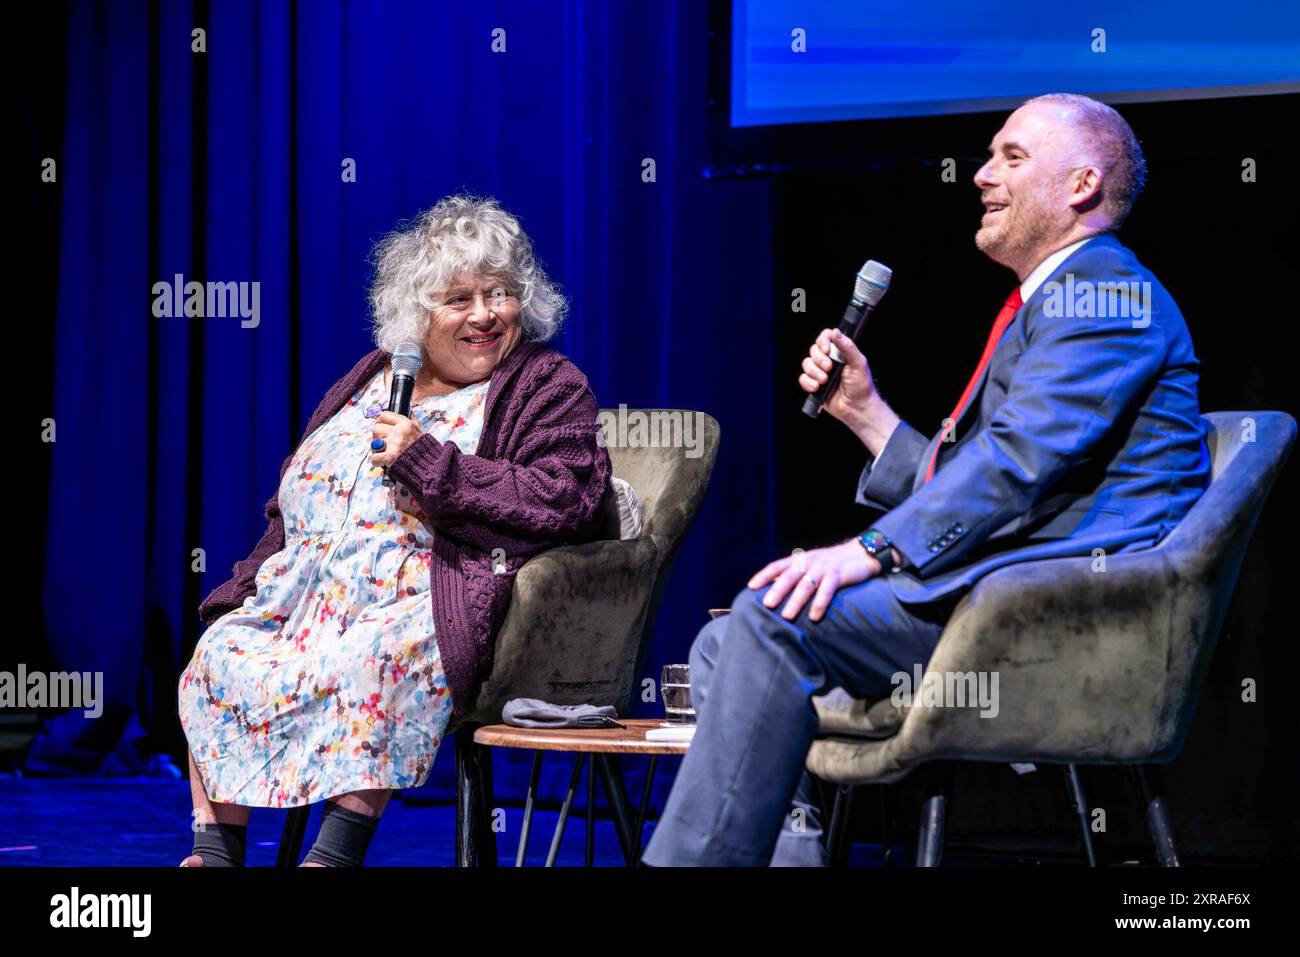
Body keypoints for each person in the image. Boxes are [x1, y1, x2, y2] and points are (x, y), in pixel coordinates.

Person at [641, 93, 1211, 866]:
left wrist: (868, 550)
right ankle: (787, 858)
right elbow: (981, 472)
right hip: (992, 594)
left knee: (774, 618)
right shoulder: (1054, 302)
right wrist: (866, 413)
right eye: (988, 156)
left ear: (1080, 184)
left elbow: (1015, 465)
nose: (981, 175)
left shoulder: (1103, 294)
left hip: (1058, 617)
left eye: (1012, 157)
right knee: (722, 643)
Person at [177, 195, 611, 866]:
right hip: (308, 596)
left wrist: (430, 463)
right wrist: (247, 587)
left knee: (376, 653)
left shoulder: (547, 384)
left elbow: (566, 496)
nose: (485, 314)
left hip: (427, 598)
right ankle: (218, 851)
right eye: (458, 298)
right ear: (416, 314)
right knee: (221, 649)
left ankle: (335, 853)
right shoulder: (372, 379)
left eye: (500, 293)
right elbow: (292, 503)